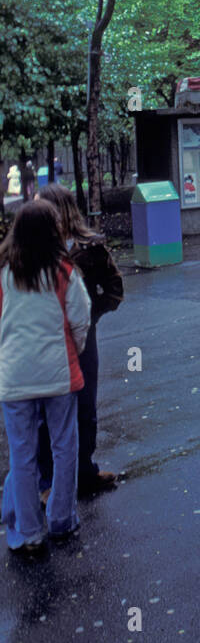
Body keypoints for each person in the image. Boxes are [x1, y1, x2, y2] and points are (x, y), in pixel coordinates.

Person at [0, 200, 90, 556]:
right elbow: (80, 321)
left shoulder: (4, 272)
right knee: (64, 446)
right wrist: (75, 350)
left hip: (14, 377)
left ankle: (29, 532)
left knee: (22, 455)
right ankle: (62, 519)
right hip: (58, 373)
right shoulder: (64, 271)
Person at [36, 185, 124, 497]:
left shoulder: (91, 247)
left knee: (85, 406)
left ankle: (85, 471)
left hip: (84, 339)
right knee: (46, 412)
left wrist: (91, 315)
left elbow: (114, 288)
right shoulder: (34, 249)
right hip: (46, 340)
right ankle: (48, 481)